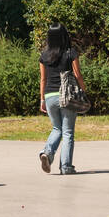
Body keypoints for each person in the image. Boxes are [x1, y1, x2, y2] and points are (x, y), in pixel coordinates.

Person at [37, 24, 86, 175]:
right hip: (67, 95)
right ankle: (66, 167)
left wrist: (42, 100)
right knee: (68, 132)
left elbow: (43, 79)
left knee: (56, 128)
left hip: (49, 96)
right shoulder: (70, 53)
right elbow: (77, 75)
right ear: (64, 36)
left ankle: (47, 152)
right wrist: (84, 90)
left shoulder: (44, 55)